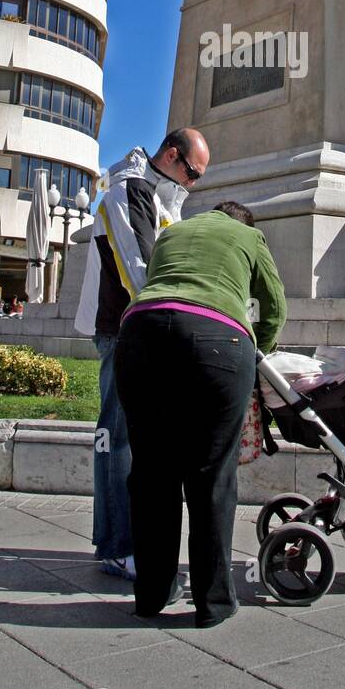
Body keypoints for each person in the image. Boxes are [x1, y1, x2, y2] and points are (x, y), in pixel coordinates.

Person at [116, 201, 286, 628]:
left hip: (141, 333)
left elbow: (162, 288)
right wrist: (257, 350)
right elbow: (275, 307)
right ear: (244, 222)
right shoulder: (249, 237)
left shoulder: (171, 233)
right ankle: (213, 603)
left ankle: (152, 594)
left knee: (152, 473)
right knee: (211, 475)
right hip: (218, 340)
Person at [74, 129, 210, 583]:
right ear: (172, 155)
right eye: (191, 172)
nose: (193, 183)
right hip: (122, 329)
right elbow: (139, 267)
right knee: (116, 436)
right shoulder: (129, 190)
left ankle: (128, 541)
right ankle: (117, 546)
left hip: (141, 328)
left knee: (134, 438)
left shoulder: (165, 194)